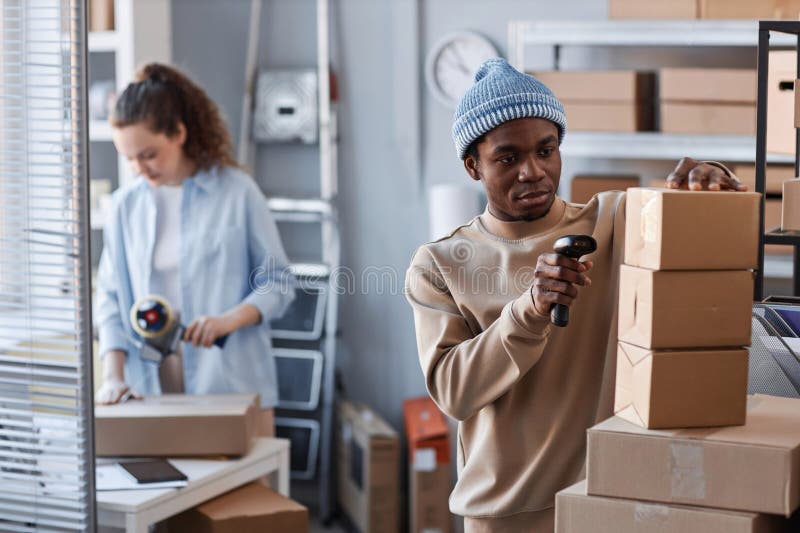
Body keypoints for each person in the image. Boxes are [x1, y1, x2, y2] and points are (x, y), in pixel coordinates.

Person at [405, 58, 747, 532]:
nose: (533, 172)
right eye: (507, 158)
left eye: (546, 151)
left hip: (607, 500)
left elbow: (698, 223)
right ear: (472, 166)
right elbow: (452, 393)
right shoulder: (440, 263)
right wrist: (528, 312)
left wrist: (710, 177)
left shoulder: (612, 221)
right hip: (504, 514)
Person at [94, 63, 295, 437]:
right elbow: (109, 299)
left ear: (179, 134)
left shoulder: (237, 193)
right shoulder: (124, 207)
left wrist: (228, 320)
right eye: (129, 158)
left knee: (248, 496)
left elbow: (278, 283)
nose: (139, 168)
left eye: (149, 154)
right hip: (151, 388)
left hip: (231, 382)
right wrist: (113, 376)